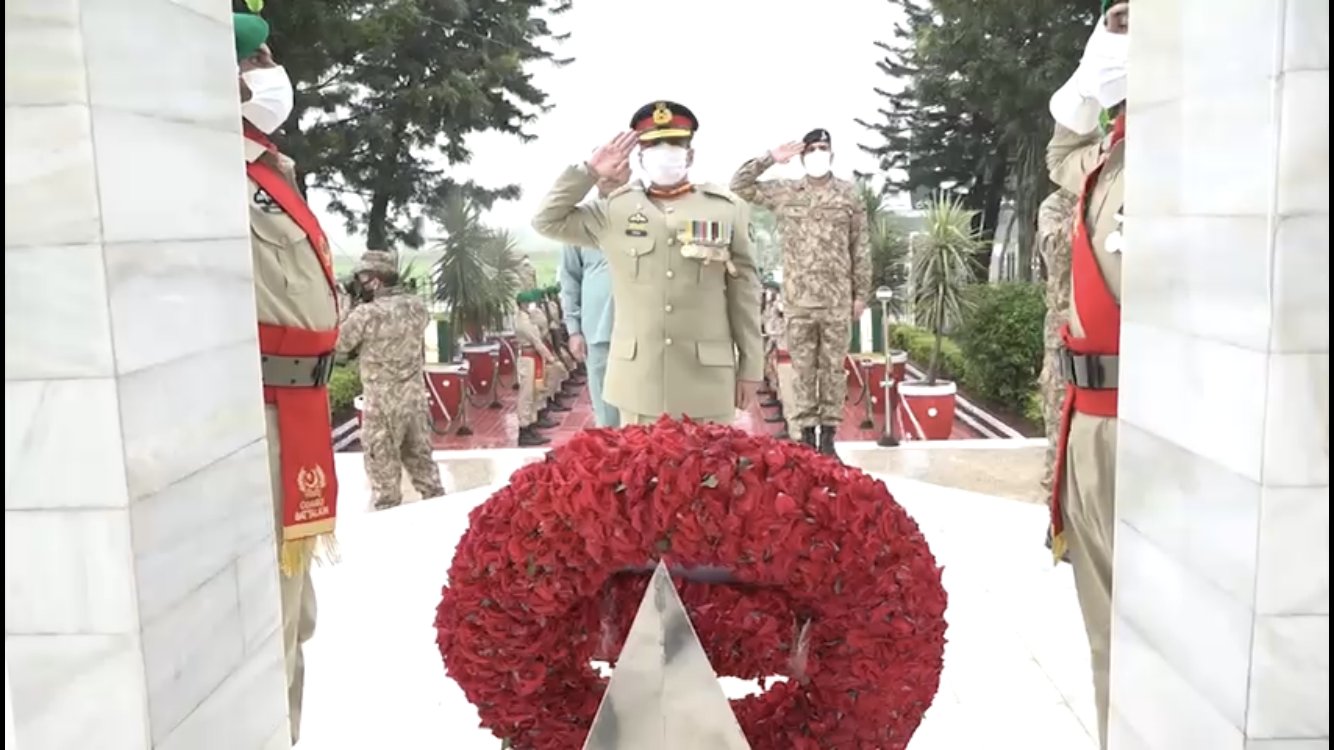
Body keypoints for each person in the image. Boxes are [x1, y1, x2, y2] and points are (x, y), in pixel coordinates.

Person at [531, 101, 764, 424]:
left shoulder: (726, 209)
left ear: (690, 155)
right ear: (640, 158)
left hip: (706, 381)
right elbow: (546, 220)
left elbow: (745, 294)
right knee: (637, 458)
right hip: (638, 382)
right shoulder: (613, 211)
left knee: (709, 458)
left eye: (674, 145)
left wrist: (751, 366)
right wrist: (589, 171)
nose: (665, 154)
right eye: (654, 147)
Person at [236, 12, 334, 744]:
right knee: (270, 613)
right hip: (261, 409)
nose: (270, 74)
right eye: (254, 62)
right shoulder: (213, 172)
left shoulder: (268, 169)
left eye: (266, 58)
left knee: (294, 614)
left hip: (299, 405)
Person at [1045, 4, 1128, 748]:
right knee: (1107, 636)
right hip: (1091, 419)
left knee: (1153, 633)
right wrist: (1095, 62)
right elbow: (1061, 148)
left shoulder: (1197, 156)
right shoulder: (1109, 158)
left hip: (1150, 426)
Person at [730, 129, 870, 455]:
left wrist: (861, 294)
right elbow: (740, 185)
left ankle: (829, 438)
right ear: (803, 156)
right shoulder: (786, 192)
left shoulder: (848, 195)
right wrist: (770, 158)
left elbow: (860, 246)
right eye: (812, 148)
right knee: (803, 370)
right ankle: (806, 436)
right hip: (799, 301)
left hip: (836, 301)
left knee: (833, 371)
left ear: (831, 154)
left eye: (823, 147)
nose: (818, 153)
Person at [335, 250, 445, 510]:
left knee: (385, 484)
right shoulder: (417, 307)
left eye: (363, 277)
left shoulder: (366, 314)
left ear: (376, 280)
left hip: (382, 407)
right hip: (414, 401)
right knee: (425, 471)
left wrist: (345, 307)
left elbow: (339, 343)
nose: (359, 283)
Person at [1037, 188, 1077, 562]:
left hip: (1108, 337)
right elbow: (1058, 253)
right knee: (1059, 432)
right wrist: (1091, 207)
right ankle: (1058, 525)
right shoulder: (1057, 206)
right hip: (1063, 342)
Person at [560, 244, 620, 427]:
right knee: (606, 415)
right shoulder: (580, 229)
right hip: (598, 331)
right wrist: (574, 330)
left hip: (642, 333)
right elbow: (569, 277)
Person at [513, 290, 559, 446]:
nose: (529, 305)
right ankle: (524, 429)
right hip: (528, 358)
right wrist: (550, 358)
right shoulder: (523, 321)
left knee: (534, 393)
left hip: (534, 358)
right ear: (521, 304)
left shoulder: (528, 317)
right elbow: (537, 341)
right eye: (526, 303)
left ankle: (531, 426)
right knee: (526, 395)